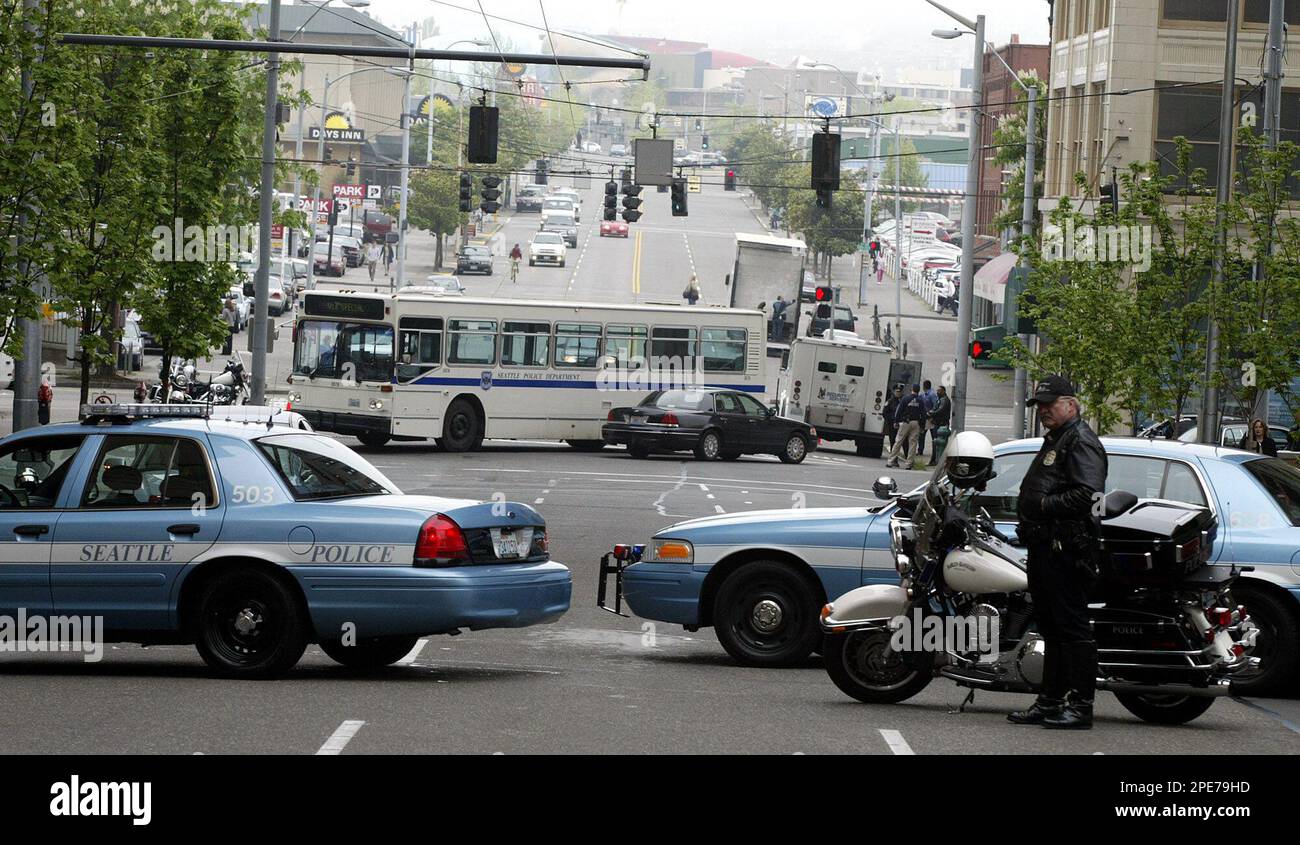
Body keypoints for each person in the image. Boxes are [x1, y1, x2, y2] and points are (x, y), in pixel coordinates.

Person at [1008, 375, 1107, 730]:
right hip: (1046, 545)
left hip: (1066, 548)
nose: (1044, 411)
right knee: (1050, 627)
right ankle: (1050, 701)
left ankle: (1081, 706)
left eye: (1050, 404)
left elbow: (1090, 494)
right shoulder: (1059, 438)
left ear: (1071, 404)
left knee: (1072, 628)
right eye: (1040, 405)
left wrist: (1045, 505)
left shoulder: (1081, 440)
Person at [885, 384, 925, 468]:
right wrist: (922, 426)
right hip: (916, 422)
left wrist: (896, 421)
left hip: (905, 422)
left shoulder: (906, 398)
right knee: (913, 444)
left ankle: (891, 461)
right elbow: (923, 414)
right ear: (918, 390)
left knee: (898, 441)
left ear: (911, 389)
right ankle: (909, 464)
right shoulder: (921, 400)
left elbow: (899, 410)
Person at [927, 384, 951, 466]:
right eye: (937, 391)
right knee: (936, 442)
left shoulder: (944, 400)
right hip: (938, 423)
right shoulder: (940, 399)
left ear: (943, 391)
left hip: (941, 424)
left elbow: (941, 410)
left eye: (939, 391)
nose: (937, 392)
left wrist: (932, 413)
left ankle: (937, 460)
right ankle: (934, 459)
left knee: (939, 442)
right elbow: (935, 408)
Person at [917, 379, 938, 455]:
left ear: (924, 386)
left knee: (933, 436)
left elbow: (935, 406)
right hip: (925, 418)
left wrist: (932, 415)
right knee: (921, 435)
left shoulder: (932, 395)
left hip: (931, 418)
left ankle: (934, 452)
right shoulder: (924, 394)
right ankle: (920, 450)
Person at [883, 385, 903, 452]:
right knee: (892, 439)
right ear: (894, 392)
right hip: (892, 424)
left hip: (901, 424)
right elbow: (885, 412)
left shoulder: (903, 401)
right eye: (897, 391)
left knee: (900, 440)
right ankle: (893, 453)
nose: (898, 393)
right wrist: (890, 419)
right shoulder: (890, 401)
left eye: (900, 391)